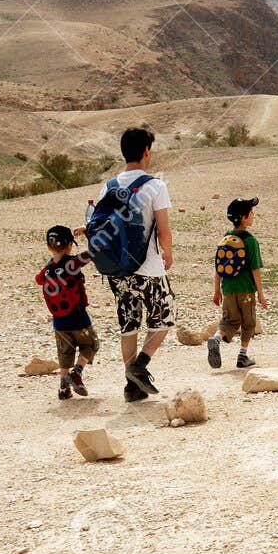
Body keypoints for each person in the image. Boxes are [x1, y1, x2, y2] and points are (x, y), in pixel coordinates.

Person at [93, 127, 174, 402]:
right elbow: (163, 228)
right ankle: (141, 364)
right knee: (164, 318)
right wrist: (168, 252)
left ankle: (131, 387)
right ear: (146, 152)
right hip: (149, 267)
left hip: (118, 270)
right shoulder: (155, 186)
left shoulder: (109, 186)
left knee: (129, 325)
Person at [36, 225, 98, 398]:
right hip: (78, 317)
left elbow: (38, 280)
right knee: (91, 344)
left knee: (65, 354)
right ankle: (76, 372)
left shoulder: (47, 270)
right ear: (70, 245)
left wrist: (51, 265)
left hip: (59, 321)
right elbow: (94, 251)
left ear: (48, 247)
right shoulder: (73, 263)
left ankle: (64, 388)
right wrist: (87, 232)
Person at [209, 197, 268, 369]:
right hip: (246, 290)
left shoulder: (225, 239)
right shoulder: (250, 241)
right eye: (251, 213)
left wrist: (216, 291)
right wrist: (261, 295)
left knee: (229, 321)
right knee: (248, 323)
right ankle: (242, 356)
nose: (253, 215)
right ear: (243, 217)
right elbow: (255, 270)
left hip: (227, 289)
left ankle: (216, 338)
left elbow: (219, 267)